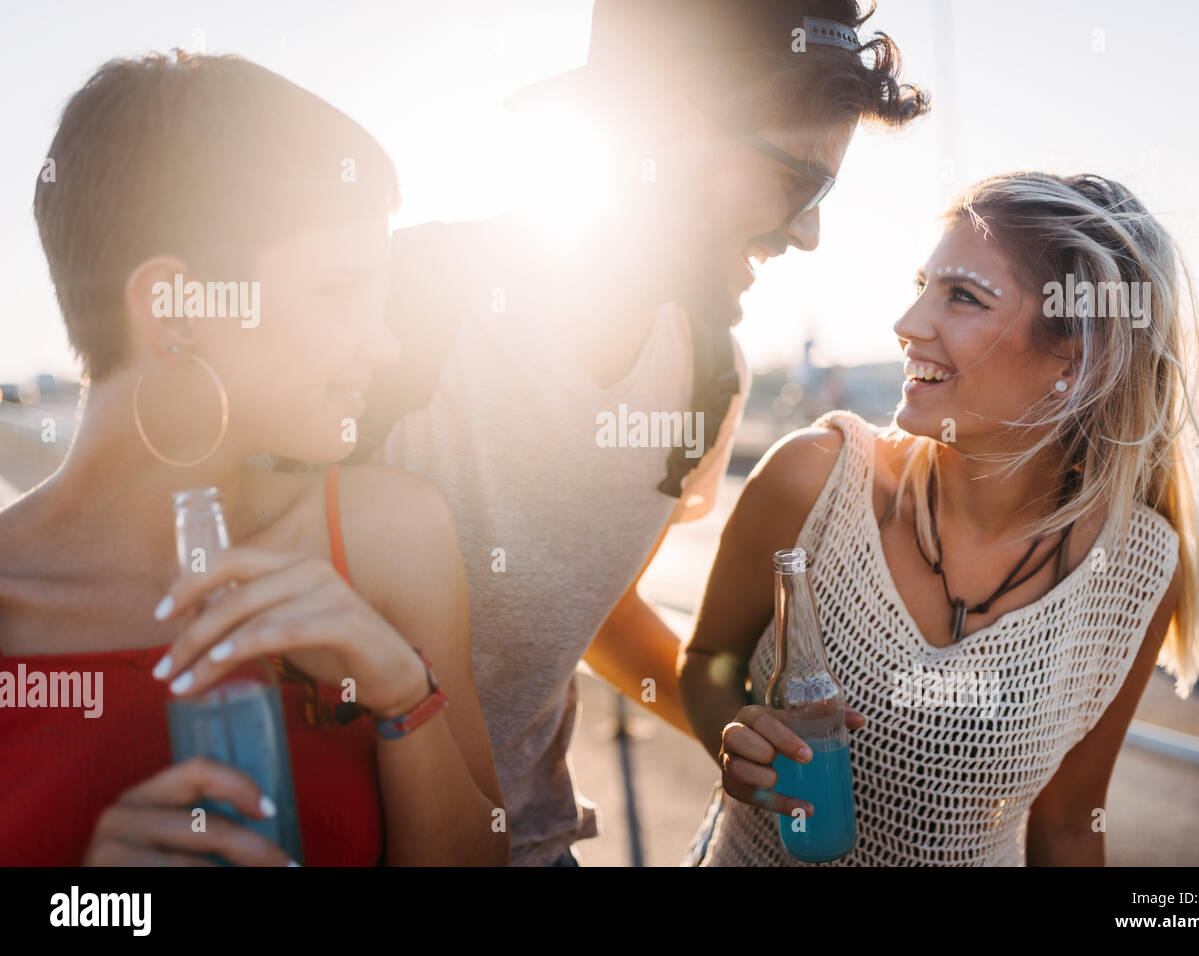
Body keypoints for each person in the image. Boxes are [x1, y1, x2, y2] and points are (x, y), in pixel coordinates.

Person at [343, 0, 928, 866]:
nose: (809, 232)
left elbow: (592, 607)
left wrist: (734, 725)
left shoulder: (707, 372)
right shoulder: (390, 302)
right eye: (799, 180)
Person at [680, 171, 1199, 866]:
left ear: (1076, 355)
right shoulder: (811, 480)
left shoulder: (1137, 569)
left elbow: (1066, 826)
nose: (907, 325)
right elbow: (706, 663)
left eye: (962, 297)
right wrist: (736, 733)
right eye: (922, 286)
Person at [0, 51, 507, 866]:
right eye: (341, 290)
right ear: (176, 307)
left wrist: (404, 699)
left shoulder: (386, 538)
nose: (382, 344)